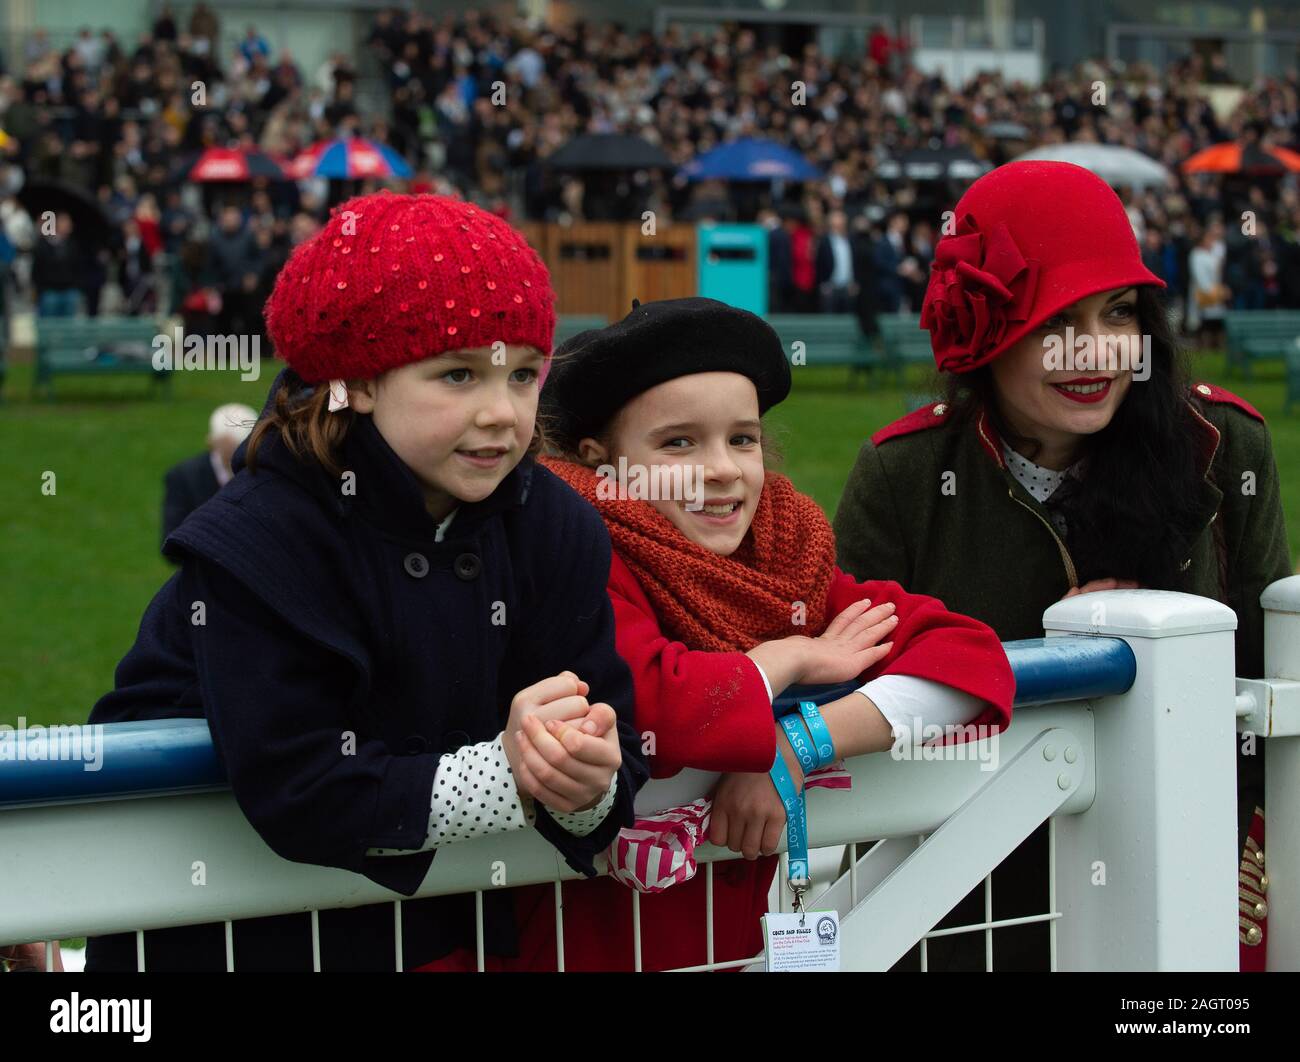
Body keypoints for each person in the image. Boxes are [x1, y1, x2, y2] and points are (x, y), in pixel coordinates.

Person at [85, 192, 649, 971]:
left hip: (445, 939)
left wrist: (584, 783)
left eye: (523, 375)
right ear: (360, 381)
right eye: (458, 375)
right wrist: (504, 773)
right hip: (224, 933)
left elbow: (609, 721)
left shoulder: (555, 525)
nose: (501, 413)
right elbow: (298, 780)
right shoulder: (261, 536)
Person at [833, 160, 1291, 971]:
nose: (1096, 352)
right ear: (985, 332)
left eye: (1118, 313)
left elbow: (1259, 690)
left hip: (1180, 887)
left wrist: (1229, 840)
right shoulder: (903, 475)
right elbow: (859, 709)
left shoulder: (1225, 447)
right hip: (956, 900)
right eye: (1054, 322)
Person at [500, 296, 1014, 971]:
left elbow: (969, 660)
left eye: (741, 439)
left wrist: (799, 745)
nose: (722, 468)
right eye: (679, 442)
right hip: (579, 941)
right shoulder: (579, 560)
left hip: (737, 941)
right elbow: (651, 704)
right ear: (602, 458)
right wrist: (787, 658)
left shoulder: (784, 565)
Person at [161, 402, 258, 557]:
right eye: (229, 446)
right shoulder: (184, 477)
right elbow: (171, 541)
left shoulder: (261, 477)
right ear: (211, 442)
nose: (234, 453)